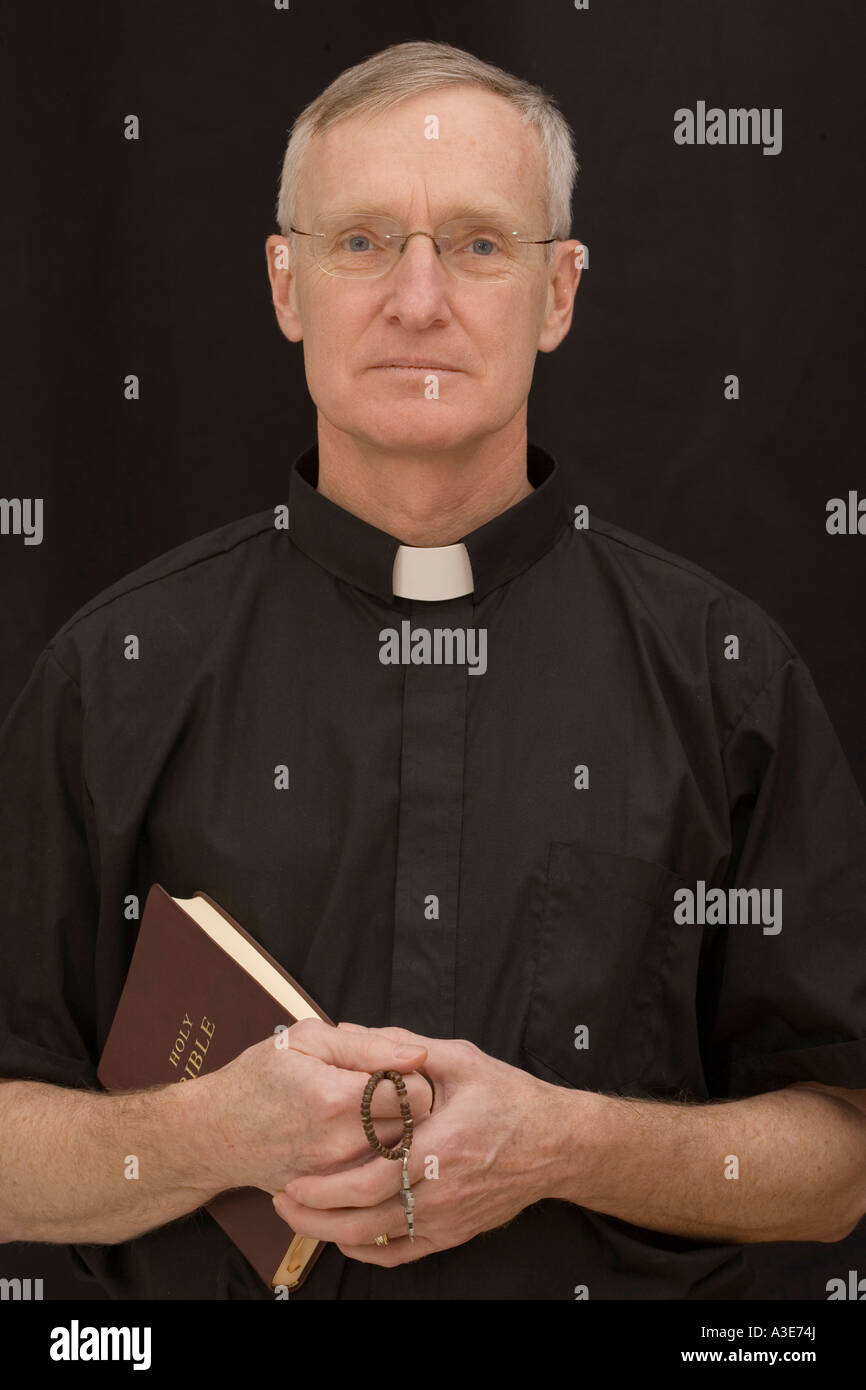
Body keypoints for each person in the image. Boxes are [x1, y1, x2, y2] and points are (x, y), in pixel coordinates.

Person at [0, 39, 864, 1302]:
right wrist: (211, 1134)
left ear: (558, 293)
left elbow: (838, 1162)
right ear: (284, 284)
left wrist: (561, 1145)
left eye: (475, 244)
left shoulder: (723, 678)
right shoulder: (111, 675)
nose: (417, 298)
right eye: (359, 243)